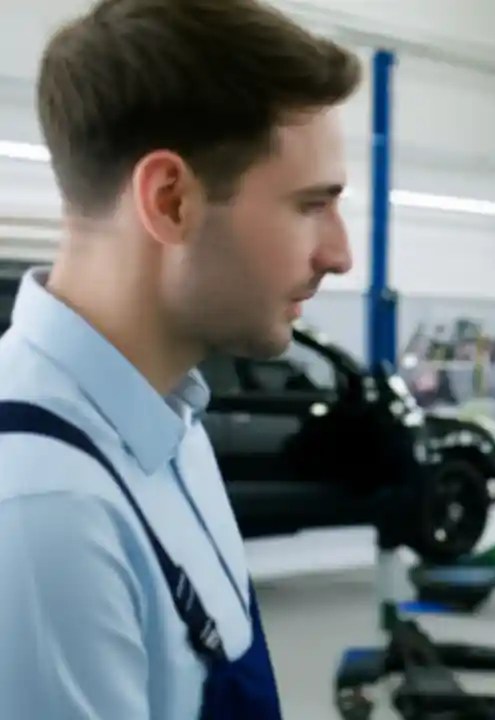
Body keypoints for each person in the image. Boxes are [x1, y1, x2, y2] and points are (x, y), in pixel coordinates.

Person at [0, 1, 360, 718]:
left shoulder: (168, 419)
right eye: (309, 205)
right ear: (169, 201)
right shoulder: (44, 510)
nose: (340, 254)